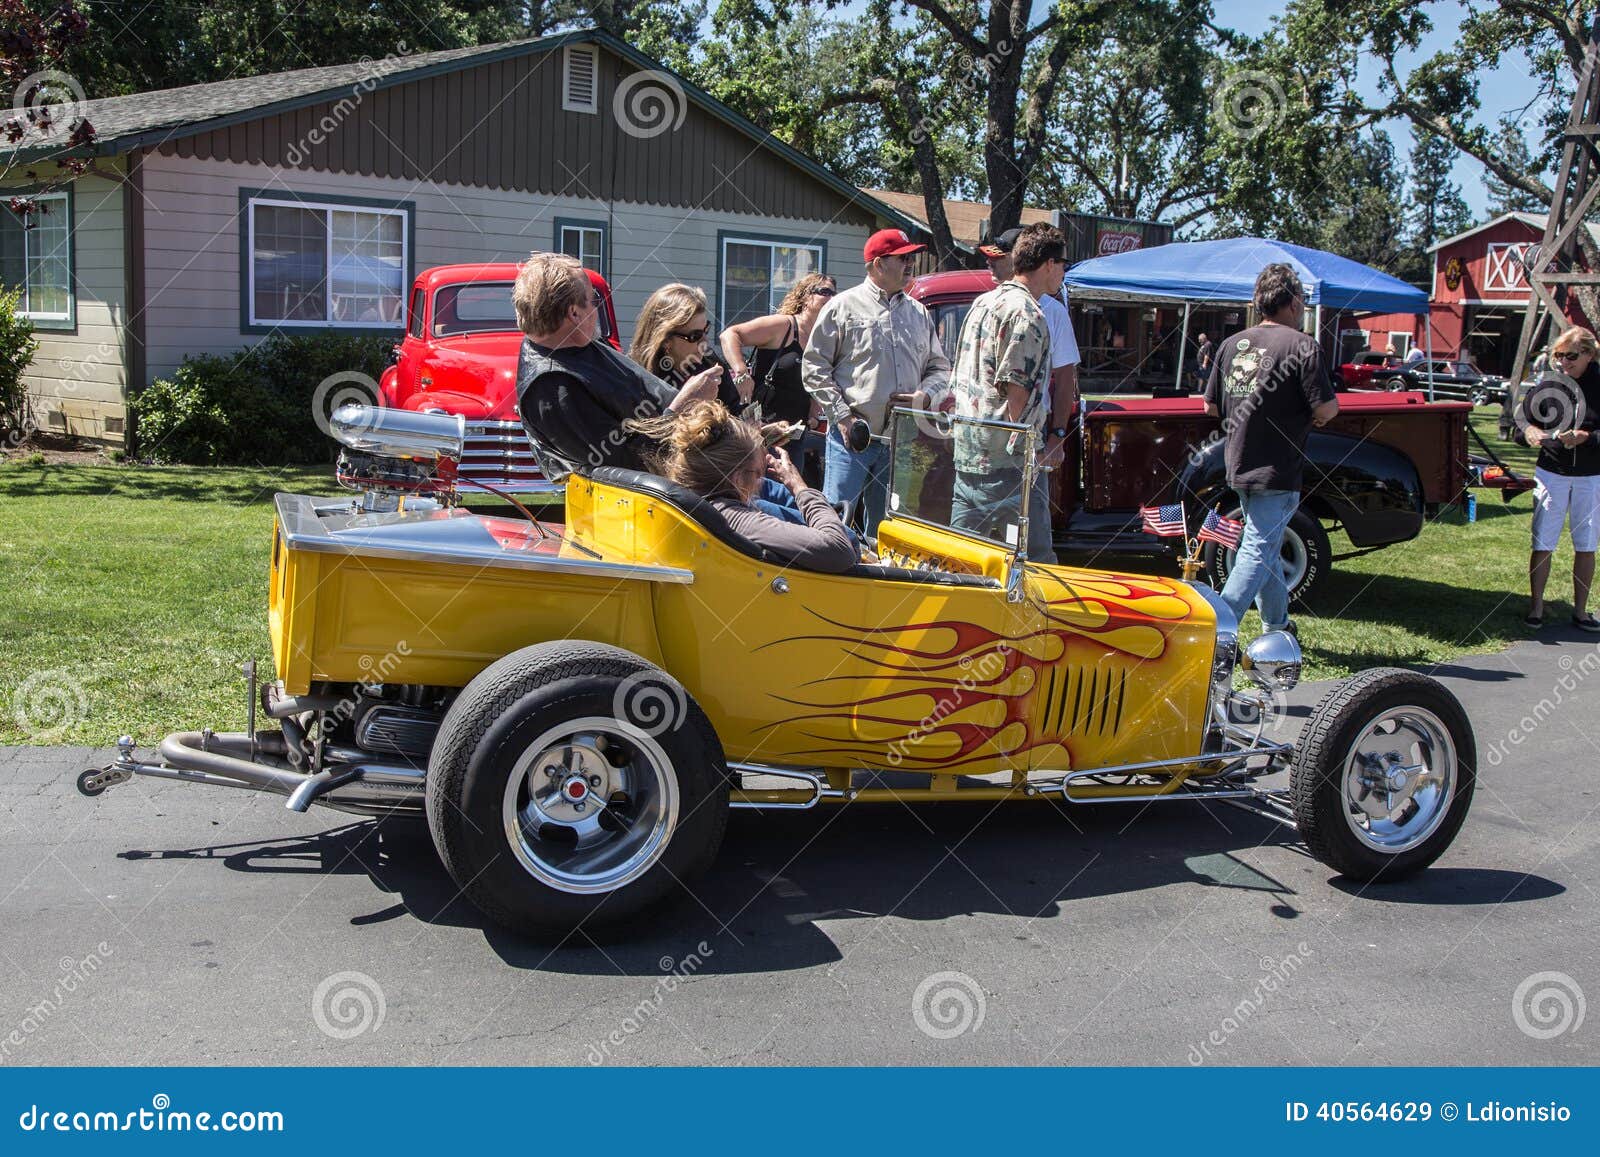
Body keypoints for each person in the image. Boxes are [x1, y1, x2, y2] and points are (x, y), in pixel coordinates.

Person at [1202, 263, 1339, 634]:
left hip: (1239, 463)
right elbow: (1326, 408)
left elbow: (1209, 406)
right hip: (1277, 468)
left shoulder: (1232, 345)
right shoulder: (1302, 346)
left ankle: (1277, 627)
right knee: (1257, 549)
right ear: (1294, 302)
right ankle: (1216, 629)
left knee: (1266, 545)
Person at [803, 228, 951, 538]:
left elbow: (940, 368)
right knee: (835, 524)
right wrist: (842, 417)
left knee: (889, 531)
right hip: (851, 439)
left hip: (902, 442)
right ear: (879, 263)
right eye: (903, 258)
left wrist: (923, 397)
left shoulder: (919, 313)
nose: (911, 264)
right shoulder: (841, 307)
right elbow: (814, 366)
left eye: (911, 258)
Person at [948, 222, 1069, 563]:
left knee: (961, 565)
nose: (1063, 271)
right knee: (1035, 568)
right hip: (1008, 464)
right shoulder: (1029, 314)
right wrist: (1042, 449)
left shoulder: (983, 303)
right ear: (1048, 264)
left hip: (969, 453)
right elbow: (1017, 398)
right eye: (1063, 264)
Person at [625, 401, 859, 573]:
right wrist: (799, 487)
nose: (760, 482)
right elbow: (839, 549)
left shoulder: (686, 500)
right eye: (758, 474)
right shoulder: (734, 517)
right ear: (737, 479)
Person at [977, 226, 1081, 465]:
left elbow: (1065, 380)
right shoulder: (996, 306)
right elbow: (1016, 395)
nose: (990, 263)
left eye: (998, 257)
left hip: (1006, 435)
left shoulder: (1051, 313)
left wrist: (1057, 436)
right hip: (1005, 439)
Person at [1523, 326, 1600, 631]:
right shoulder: (1550, 382)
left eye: (1570, 356)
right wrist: (1526, 431)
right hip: (1551, 471)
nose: (1563, 362)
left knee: (1587, 543)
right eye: (1558, 355)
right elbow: (1519, 419)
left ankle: (1581, 611)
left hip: (1590, 475)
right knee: (1543, 541)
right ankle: (1536, 607)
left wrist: (1588, 438)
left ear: (1589, 354)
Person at [631, 283, 748, 414]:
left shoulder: (709, 363)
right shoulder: (638, 382)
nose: (705, 341)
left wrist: (760, 429)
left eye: (706, 330)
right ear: (665, 340)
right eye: (695, 335)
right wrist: (687, 402)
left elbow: (736, 413)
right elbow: (649, 432)